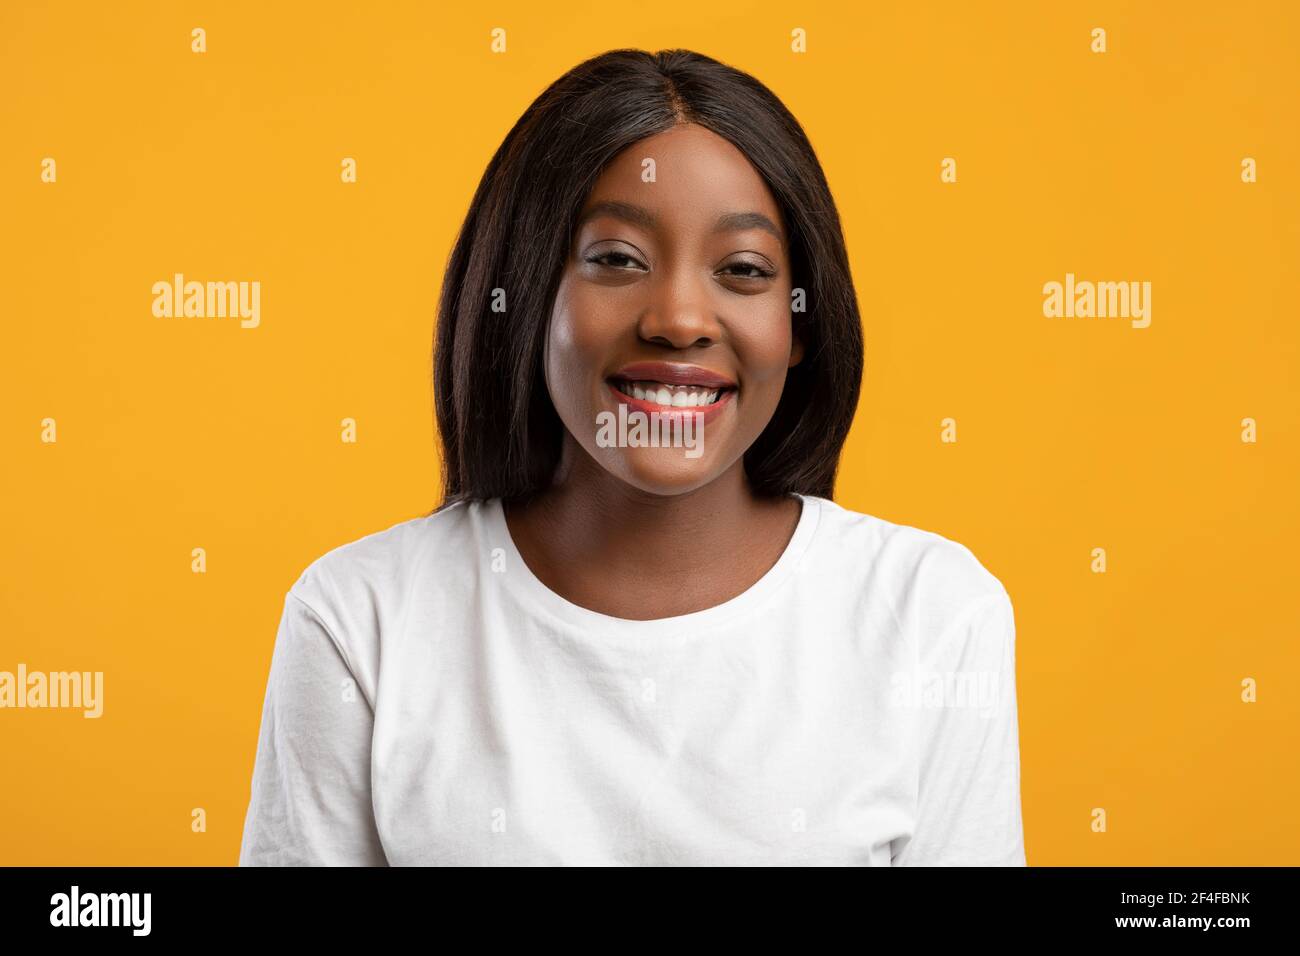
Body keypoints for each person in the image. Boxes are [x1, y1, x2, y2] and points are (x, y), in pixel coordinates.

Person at [238, 48, 1025, 866]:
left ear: (800, 325)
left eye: (743, 270)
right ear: (526, 293)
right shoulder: (359, 621)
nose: (679, 318)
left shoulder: (934, 617)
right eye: (616, 259)